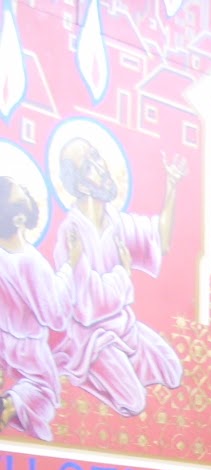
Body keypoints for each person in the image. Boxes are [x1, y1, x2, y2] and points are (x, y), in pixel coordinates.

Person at [51, 130, 185, 418]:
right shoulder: (71, 233)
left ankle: (122, 364)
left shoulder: (115, 220)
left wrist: (171, 187)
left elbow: (161, 240)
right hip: (93, 339)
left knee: (173, 370)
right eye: (89, 166)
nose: (101, 168)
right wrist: (124, 274)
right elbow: (90, 306)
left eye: (97, 158)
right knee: (134, 403)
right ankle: (83, 373)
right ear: (80, 185)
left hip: (124, 326)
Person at [0, 176, 71, 441]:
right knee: (45, 391)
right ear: (18, 218)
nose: (30, 200)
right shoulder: (31, 262)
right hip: (29, 347)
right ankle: (9, 404)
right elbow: (55, 316)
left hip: (3, 343)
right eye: (22, 199)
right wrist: (69, 268)